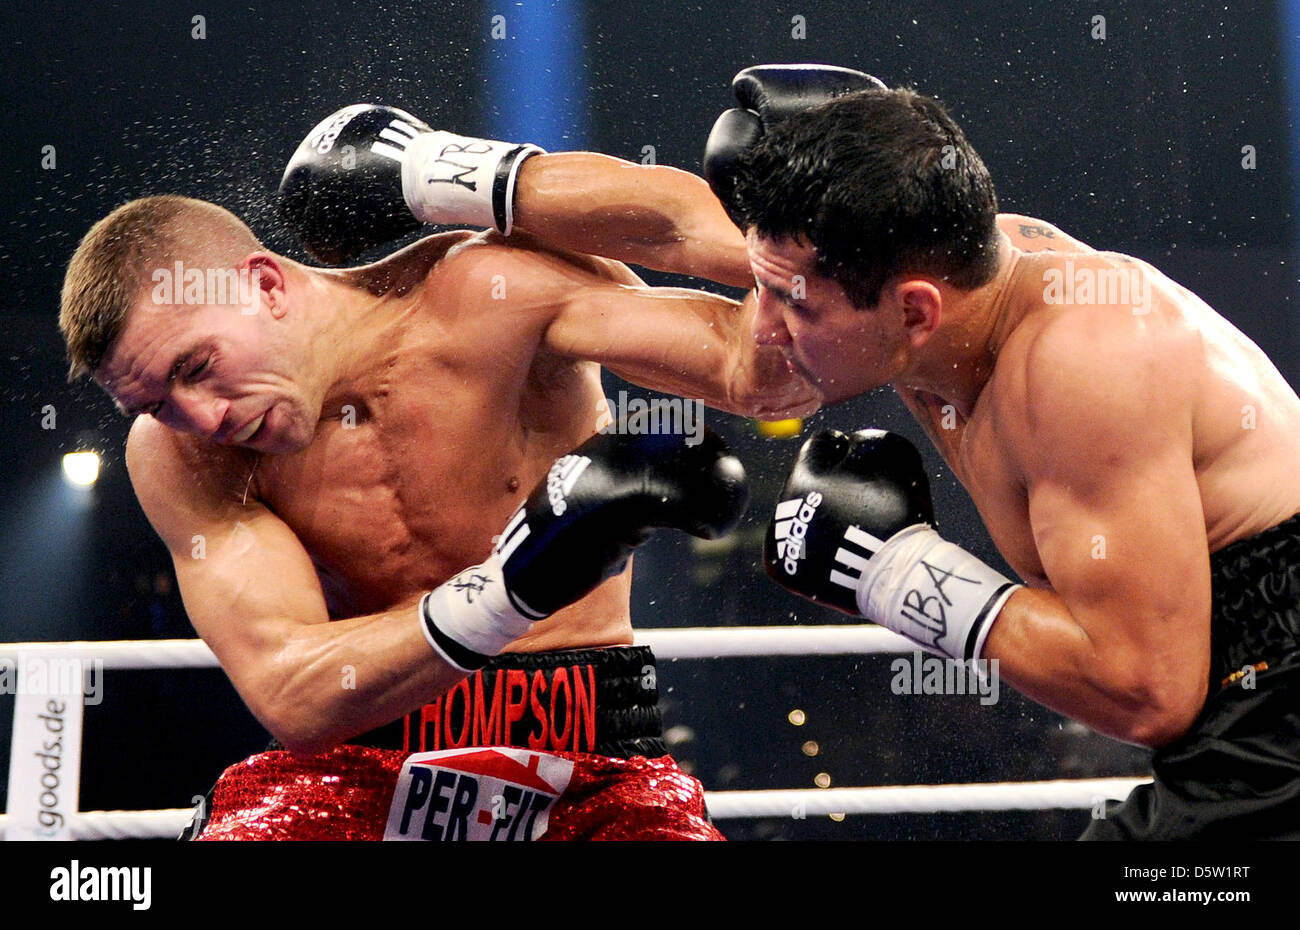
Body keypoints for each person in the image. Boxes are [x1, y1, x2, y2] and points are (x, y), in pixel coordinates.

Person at [56, 105, 819, 839]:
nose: (203, 415)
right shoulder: (180, 453)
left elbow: (766, 375)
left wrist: (811, 233)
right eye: (157, 402)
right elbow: (295, 693)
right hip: (361, 761)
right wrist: (514, 583)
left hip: (591, 747)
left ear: (264, 284)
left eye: (197, 367)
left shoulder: (490, 292)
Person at [698, 66, 1300, 840]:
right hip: (1240, 734)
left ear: (916, 311)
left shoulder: (1081, 366)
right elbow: (685, 238)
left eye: (792, 303)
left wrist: (897, 572)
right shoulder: (935, 282)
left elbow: (1147, 694)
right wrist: (503, 184)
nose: (765, 330)